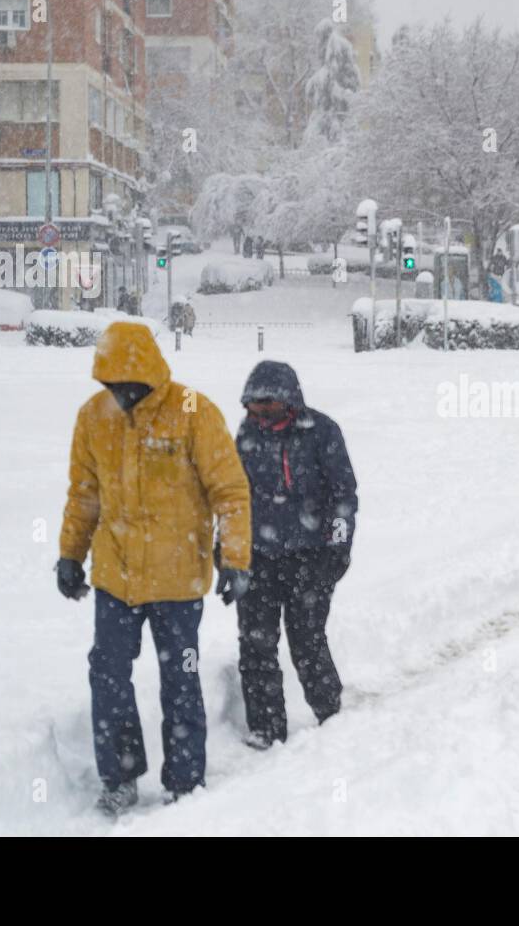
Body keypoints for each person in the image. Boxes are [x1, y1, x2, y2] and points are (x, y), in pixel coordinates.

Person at [56, 323, 252, 817]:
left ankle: (186, 780)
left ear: (147, 374)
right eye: (111, 385)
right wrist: (70, 555)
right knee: (107, 673)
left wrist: (235, 557)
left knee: (180, 677)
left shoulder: (192, 410)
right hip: (115, 578)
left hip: (177, 578)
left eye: (128, 385)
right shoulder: (93, 416)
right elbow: (84, 495)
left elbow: (228, 490)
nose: (120, 395)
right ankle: (120, 776)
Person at [232, 361, 357, 750]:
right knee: (256, 643)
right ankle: (266, 727)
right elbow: (233, 497)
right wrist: (230, 554)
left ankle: (329, 711)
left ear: (287, 400)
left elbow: (343, 494)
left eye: (266, 404)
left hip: (310, 558)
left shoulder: (322, 431)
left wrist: (338, 546)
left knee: (306, 639)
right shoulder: (247, 436)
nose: (258, 413)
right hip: (258, 559)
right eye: (252, 406)